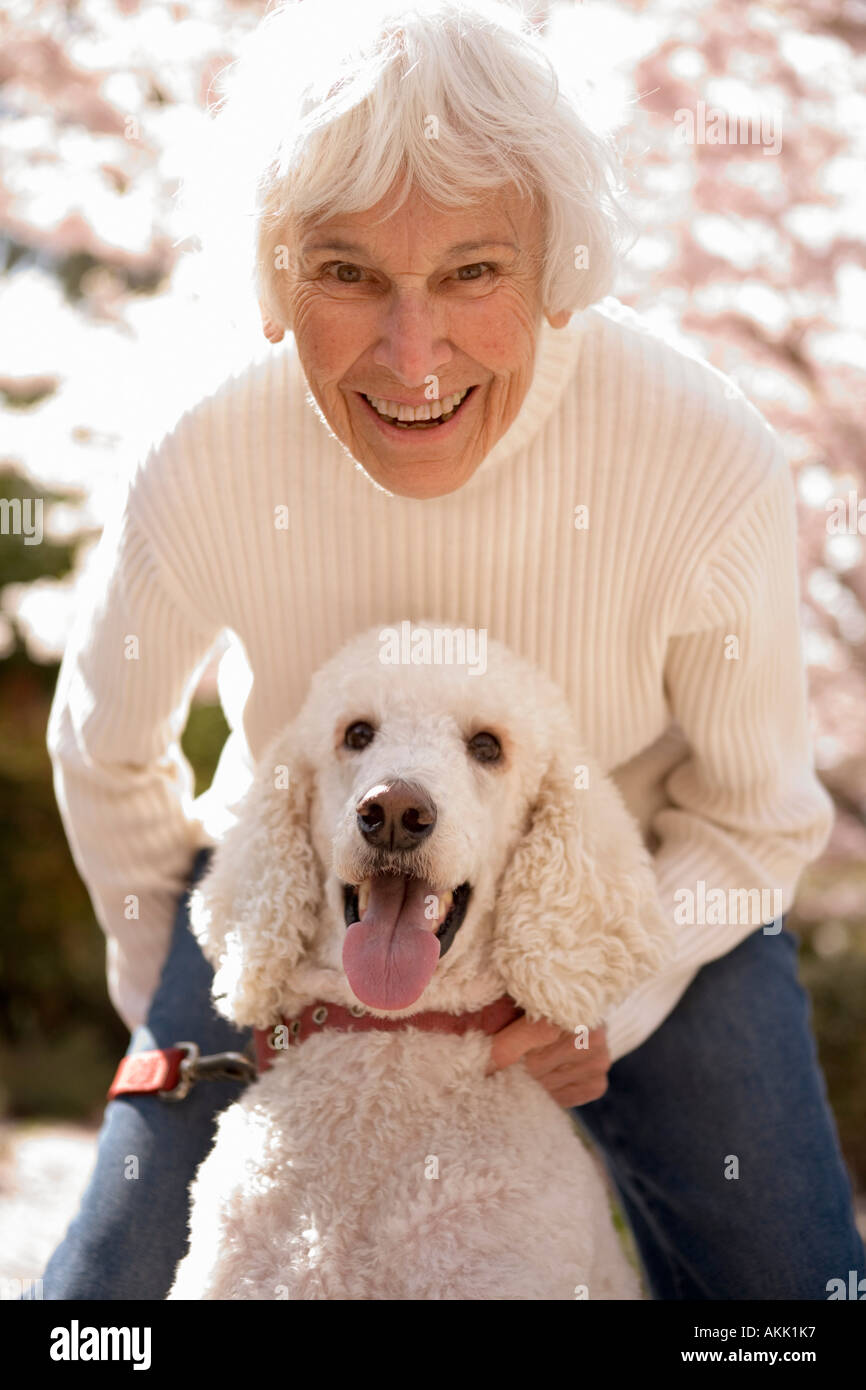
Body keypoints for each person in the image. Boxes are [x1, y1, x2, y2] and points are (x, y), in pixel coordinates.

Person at [42, 0, 864, 1300]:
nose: (411, 356)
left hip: (636, 891)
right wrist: (204, 986)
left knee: (790, 1297)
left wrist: (614, 986)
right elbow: (104, 755)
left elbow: (757, 819)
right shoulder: (199, 459)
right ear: (272, 275)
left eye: (473, 272)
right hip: (313, 895)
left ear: (554, 268)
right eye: (348, 273)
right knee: (95, 1304)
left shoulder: (701, 455)